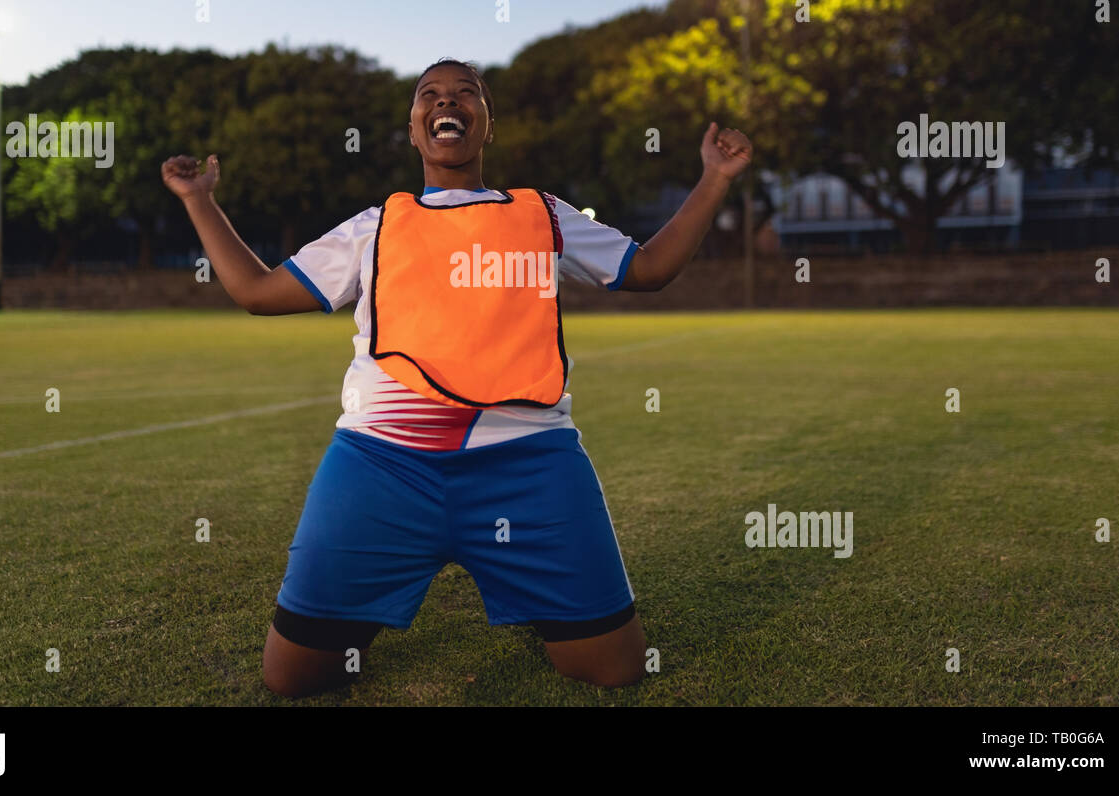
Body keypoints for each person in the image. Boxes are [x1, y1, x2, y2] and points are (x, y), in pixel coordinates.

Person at [161, 58, 753, 697]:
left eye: (466, 93)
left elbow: (650, 267)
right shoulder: (376, 225)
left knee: (615, 670)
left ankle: (535, 591)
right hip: (382, 464)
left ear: (487, 124)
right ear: (414, 129)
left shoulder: (543, 213)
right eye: (430, 95)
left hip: (528, 462)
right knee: (293, 677)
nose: (448, 102)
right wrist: (200, 201)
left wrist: (714, 179)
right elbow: (255, 289)